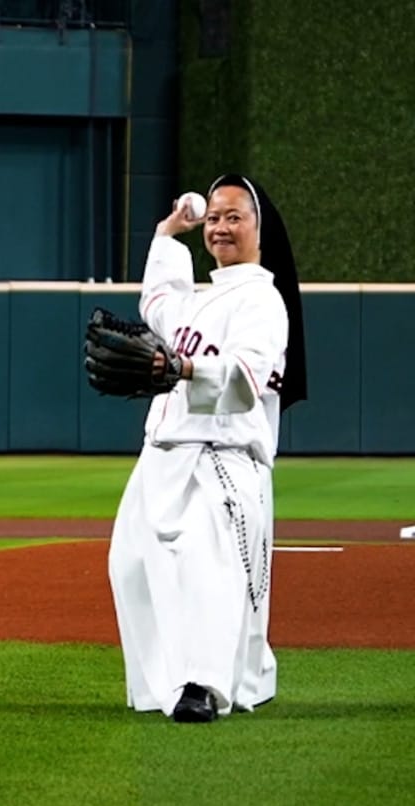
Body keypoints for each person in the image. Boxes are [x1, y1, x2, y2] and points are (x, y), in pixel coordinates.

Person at [106, 173, 308, 724]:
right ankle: (161, 686)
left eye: (234, 216)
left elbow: (246, 377)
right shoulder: (202, 297)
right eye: (215, 217)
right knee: (130, 566)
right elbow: (160, 301)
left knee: (208, 570)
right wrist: (169, 234)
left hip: (220, 456)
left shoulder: (262, 301)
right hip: (164, 454)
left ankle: (206, 686)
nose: (220, 227)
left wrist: (185, 367)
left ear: (259, 229)